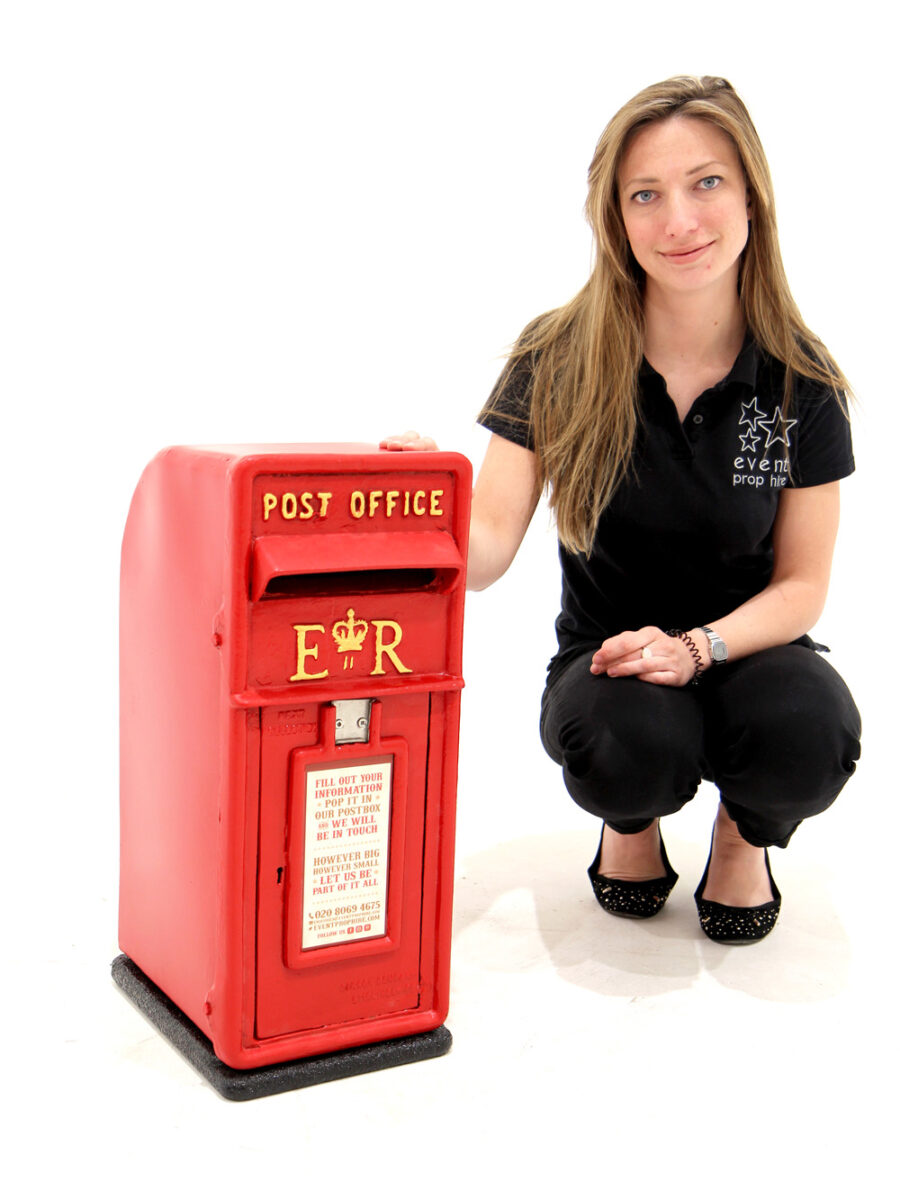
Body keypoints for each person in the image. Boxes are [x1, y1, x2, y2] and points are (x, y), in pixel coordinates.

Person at [382, 75, 861, 944]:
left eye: (706, 182)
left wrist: (697, 649)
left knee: (809, 731)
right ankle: (630, 826)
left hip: (748, 648)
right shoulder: (557, 355)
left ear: (752, 194)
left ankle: (742, 834)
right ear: (616, 218)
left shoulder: (802, 378)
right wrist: (428, 502)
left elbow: (802, 585)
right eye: (646, 195)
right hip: (608, 665)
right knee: (626, 747)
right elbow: (484, 549)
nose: (678, 221)